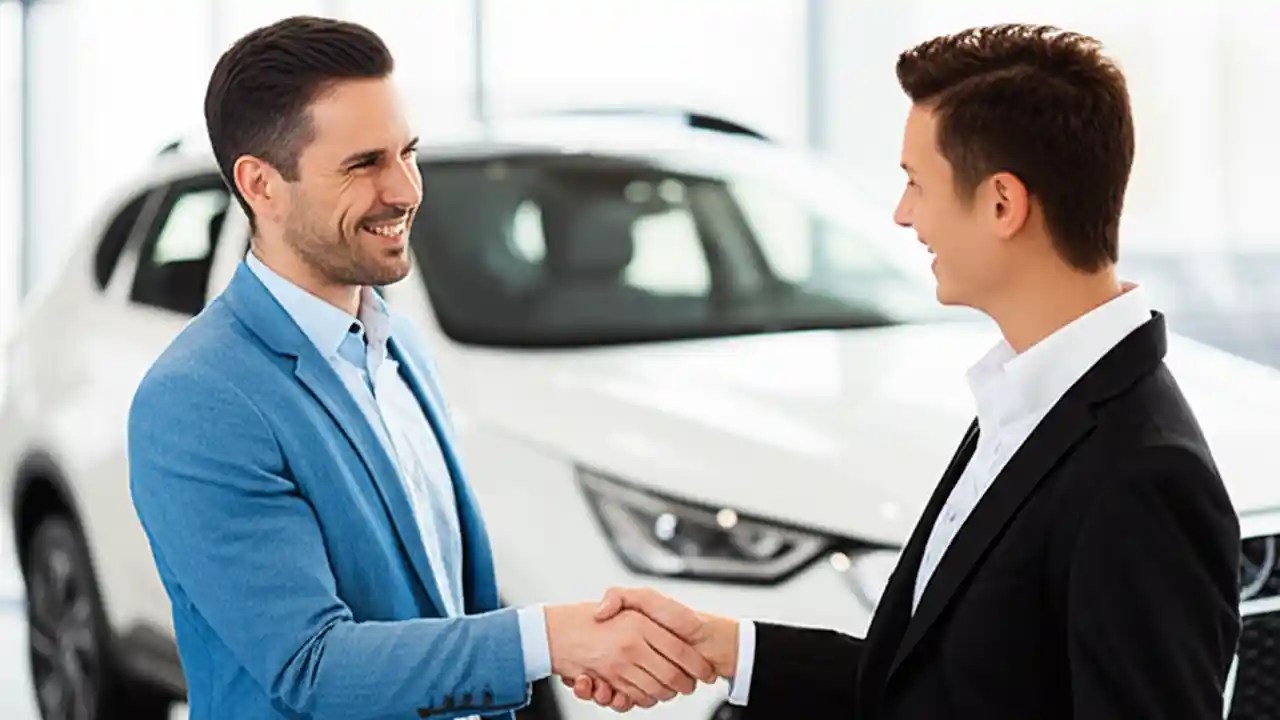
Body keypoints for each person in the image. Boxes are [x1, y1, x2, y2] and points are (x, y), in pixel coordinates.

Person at [570, 23, 1242, 719]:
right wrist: (724, 649)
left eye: (917, 183)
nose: (902, 214)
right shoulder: (1028, 403)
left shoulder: (1145, 475)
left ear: (1002, 204)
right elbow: (937, 689)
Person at [127, 15, 714, 720]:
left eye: (407, 152)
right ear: (261, 185)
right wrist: (548, 641)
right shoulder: (199, 399)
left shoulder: (396, 344)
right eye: (363, 164)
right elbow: (311, 667)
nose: (406, 189)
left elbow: (441, 604)